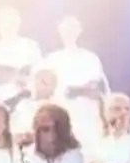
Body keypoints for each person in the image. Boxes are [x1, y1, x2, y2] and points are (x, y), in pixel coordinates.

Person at [43, 17, 108, 146]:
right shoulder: (51, 60)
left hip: (88, 118)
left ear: (79, 31)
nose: (69, 33)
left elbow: (99, 90)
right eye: (65, 29)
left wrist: (77, 91)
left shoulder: (91, 58)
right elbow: (45, 91)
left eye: (72, 29)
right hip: (61, 118)